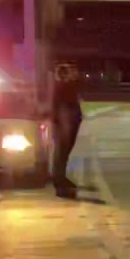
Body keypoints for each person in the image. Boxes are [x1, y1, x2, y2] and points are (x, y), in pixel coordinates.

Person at [51, 62, 83, 196]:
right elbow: (63, 110)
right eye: (71, 71)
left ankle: (61, 178)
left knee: (64, 153)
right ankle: (59, 182)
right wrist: (66, 127)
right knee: (62, 152)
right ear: (65, 75)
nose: (75, 73)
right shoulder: (62, 88)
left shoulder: (68, 87)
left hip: (69, 124)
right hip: (65, 126)